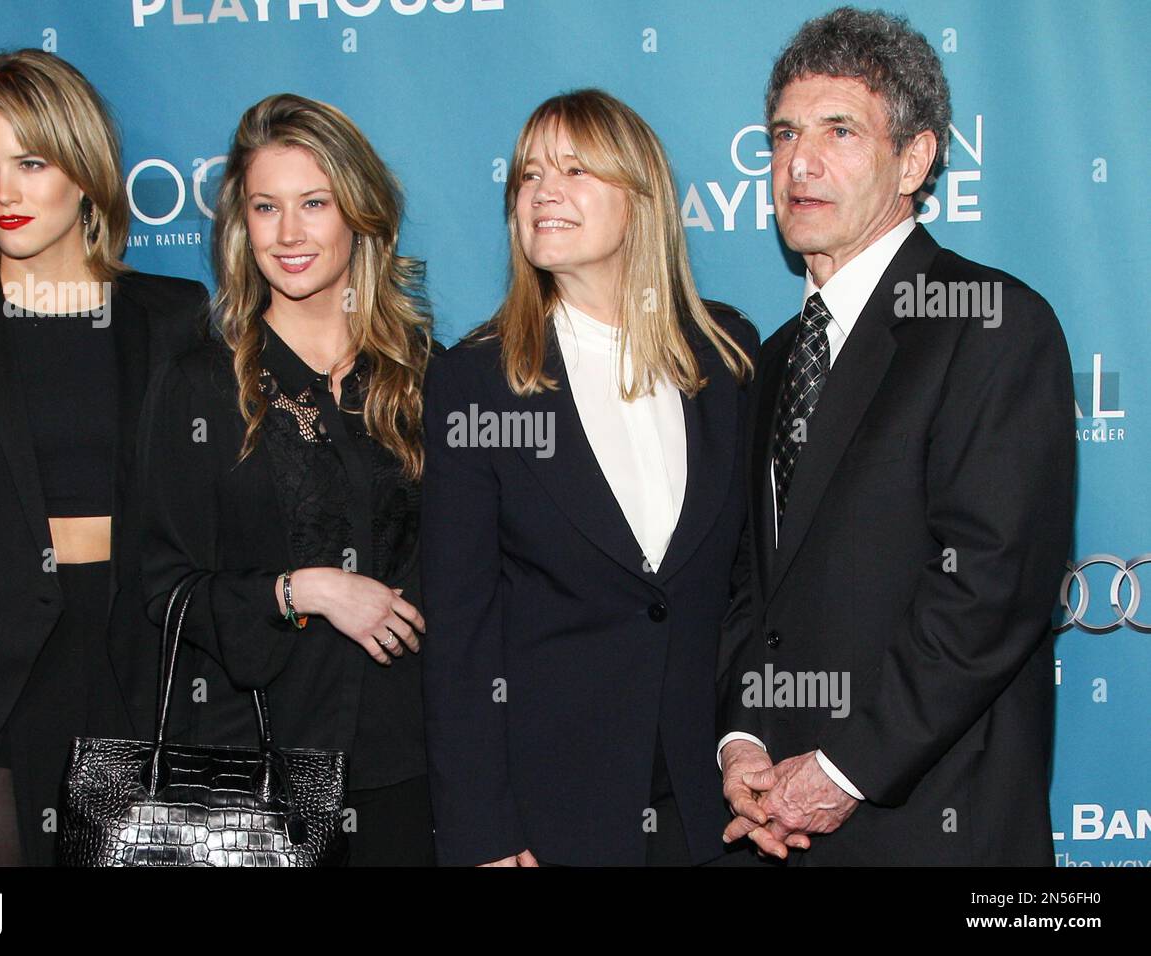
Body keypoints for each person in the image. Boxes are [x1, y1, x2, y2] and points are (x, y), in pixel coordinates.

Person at [717, 7, 1075, 865]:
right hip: (773, 824)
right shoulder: (769, 362)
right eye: (783, 135)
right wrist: (741, 741)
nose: (799, 162)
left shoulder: (989, 323)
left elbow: (990, 589)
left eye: (841, 130)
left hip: (933, 821)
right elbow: (744, 585)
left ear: (915, 159)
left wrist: (842, 772)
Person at [0, 49, 209, 866]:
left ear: (85, 169)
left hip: (142, 649)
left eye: (32, 161)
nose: (5, 193)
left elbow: (200, 501)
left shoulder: (172, 315)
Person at [421, 88, 758, 867]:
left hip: (712, 804)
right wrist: (482, 832)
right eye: (530, 174)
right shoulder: (476, 380)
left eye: (575, 169)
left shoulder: (728, 355)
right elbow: (462, 632)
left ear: (641, 199)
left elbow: (751, 589)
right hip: (555, 811)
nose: (544, 191)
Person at [136, 93, 436, 866]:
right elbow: (162, 584)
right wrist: (303, 591)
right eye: (267, 207)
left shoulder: (418, 376)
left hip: (404, 759)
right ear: (243, 223)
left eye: (314, 203)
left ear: (360, 214)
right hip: (248, 773)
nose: (290, 233)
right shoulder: (202, 382)